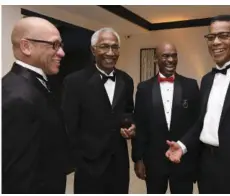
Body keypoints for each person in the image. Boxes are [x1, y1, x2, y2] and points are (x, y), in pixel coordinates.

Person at [165, 15, 230, 193]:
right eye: (211, 37)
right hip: (207, 170)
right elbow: (203, 122)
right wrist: (182, 146)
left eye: (223, 36)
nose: (215, 42)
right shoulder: (206, 80)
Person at [2, 17, 71, 193]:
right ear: (26, 46)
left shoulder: (34, 83)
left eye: (61, 45)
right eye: (54, 45)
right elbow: (17, 178)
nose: (62, 52)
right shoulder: (18, 96)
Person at [62, 27, 135, 194]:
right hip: (88, 163)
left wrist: (132, 125)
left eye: (115, 47)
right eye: (104, 46)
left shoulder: (126, 80)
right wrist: (78, 160)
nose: (110, 52)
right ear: (93, 50)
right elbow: (69, 125)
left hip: (119, 163)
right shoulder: (74, 82)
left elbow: (129, 112)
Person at [132, 42, 200, 193]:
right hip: (154, 161)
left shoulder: (191, 86)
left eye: (174, 56)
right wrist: (138, 159)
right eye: (165, 56)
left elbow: (197, 123)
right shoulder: (144, 88)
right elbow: (140, 126)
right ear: (156, 59)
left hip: (183, 159)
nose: (171, 60)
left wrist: (195, 158)